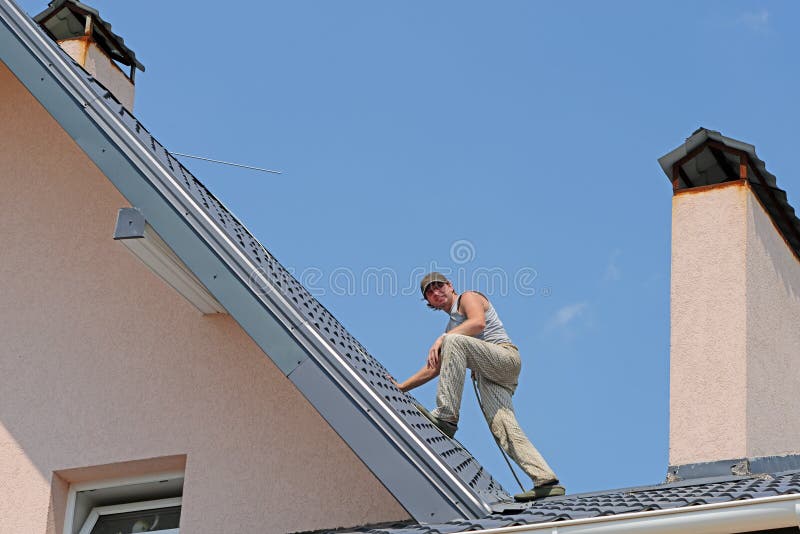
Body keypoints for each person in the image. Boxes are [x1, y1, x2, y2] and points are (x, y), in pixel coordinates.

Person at [392, 272, 565, 501]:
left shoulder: (467, 298)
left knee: (453, 341)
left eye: (439, 286)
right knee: (503, 426)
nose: (436, 292)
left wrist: (441, 339)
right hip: (489, 376)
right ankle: (546, 481)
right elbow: (435, 369)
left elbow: (478, 323)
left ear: (450, 286)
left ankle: (446, 416)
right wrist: (401, 387)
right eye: (430, 292)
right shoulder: (452, 328)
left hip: (505, 358)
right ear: (429, 302)